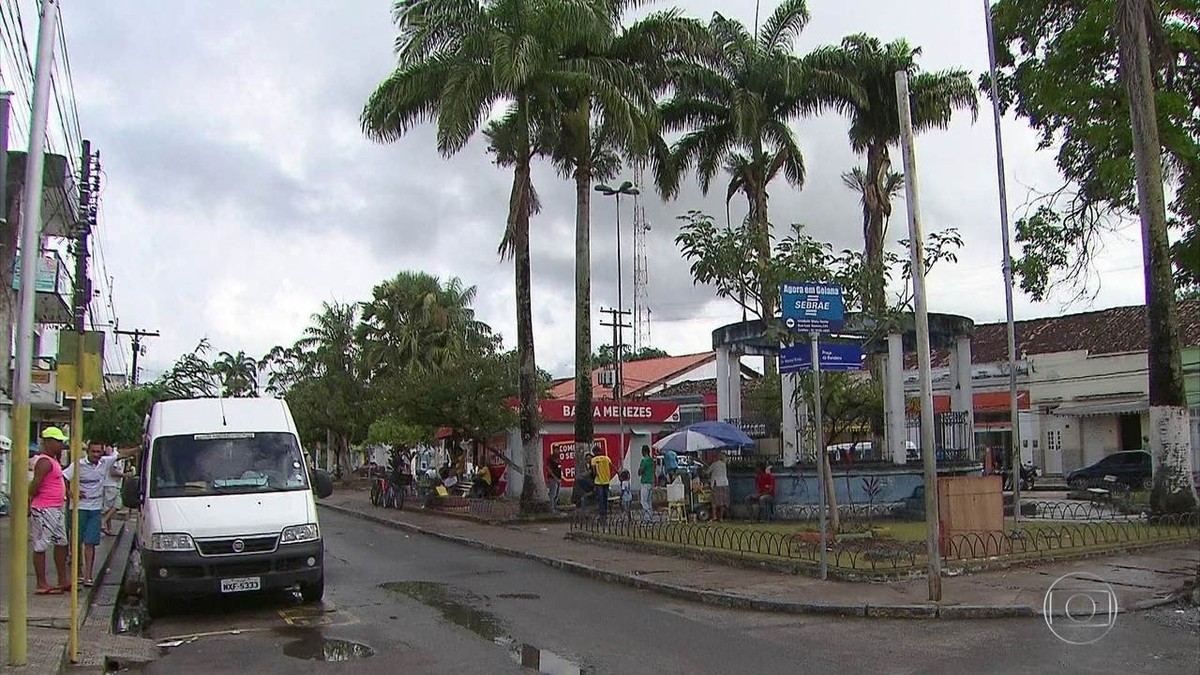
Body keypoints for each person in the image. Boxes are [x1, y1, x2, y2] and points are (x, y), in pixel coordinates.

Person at [63, 441, 140, 585]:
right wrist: (71, 493)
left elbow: (122, 454)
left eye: (99, 452)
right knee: (77, 542)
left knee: (90, 543)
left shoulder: (104, 462)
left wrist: (140, 447)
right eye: (93, 452)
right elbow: (63, 478)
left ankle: (88, 575)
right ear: (88, 451)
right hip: (79, 508)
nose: (96, 455)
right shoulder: (78, 465)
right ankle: (78, 571)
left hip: (95, 508)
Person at [29, 427, 70, 593]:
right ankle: (41, 583)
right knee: (41, 545)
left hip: (56, 508)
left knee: (61, 542)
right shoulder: (44, 462)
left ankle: (62, 579)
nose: (61, 445)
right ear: (48, 442)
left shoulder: (53, 461)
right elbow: (35, 485)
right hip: (44, 508)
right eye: (58, 441)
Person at [101, 445, 131, 536]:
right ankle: (102, 522)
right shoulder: (113, 457)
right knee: (116, 505)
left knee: (109, 507)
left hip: (114, 485)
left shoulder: (116, 455)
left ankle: (108, 528)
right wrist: (125, 475)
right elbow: (112, 472)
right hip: (111, 485)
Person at [588, 447, 615, 517]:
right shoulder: (606, 458)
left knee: (600, 498)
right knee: (605, 498)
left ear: (594, 452)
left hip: (598, 482)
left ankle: (602, 514)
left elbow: (594, 472)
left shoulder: (593, 460)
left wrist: (595, 476)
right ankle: (605, 513)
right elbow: (612, 467)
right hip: (606, 481)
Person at [708, 452, 730, 522]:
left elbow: (707, 471)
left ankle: (714, 516)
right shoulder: (724, 464)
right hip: (725, 484)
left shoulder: (714, 464)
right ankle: (721, 517)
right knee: (722, 502)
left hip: (717, 484)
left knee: (714, 501)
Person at [636, 446, 654, 519]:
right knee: (649, 501)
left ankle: (647, 517)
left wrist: (640, 471)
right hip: (651, 482)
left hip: (645, 482)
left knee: (643, 501)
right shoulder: (651, 460)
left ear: (644, 451)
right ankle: (651, 516)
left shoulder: (644, 461)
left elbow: (640, 472)